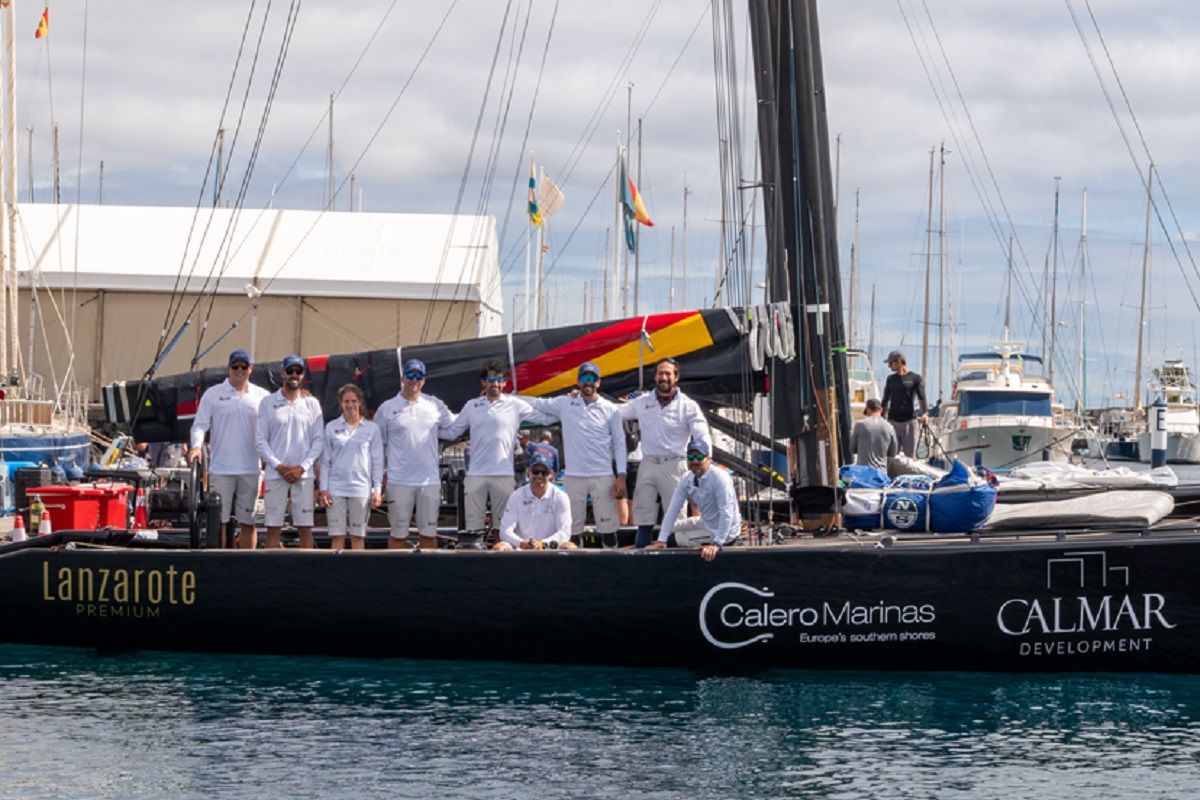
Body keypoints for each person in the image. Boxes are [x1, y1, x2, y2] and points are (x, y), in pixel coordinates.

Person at [441, 359, 546, 545]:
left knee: (503, 528)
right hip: (476, 475)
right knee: (473, 528)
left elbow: (545, 417)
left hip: (503, 474)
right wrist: (425, 430)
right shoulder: (472, 406)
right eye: (491, 379)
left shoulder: (515, 404)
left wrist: (571, 405)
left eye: (499, 379)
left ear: (504, 382)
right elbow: (452, 432)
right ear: (484, 382)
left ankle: (501, 558)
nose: (495, 383)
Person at [523, 362, 627, 546]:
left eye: (592, 378)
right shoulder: (565, 403)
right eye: (585, 378)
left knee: (608, 531)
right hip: (573, 477)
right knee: (572, 532)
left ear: (598, 382)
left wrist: (621, 475)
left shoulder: (611, 409)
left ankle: (611, 559)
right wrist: (506, 397)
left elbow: (619, 443)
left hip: (602, 476)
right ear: (578, 382)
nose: (588, 382)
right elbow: (538, 403)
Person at [618, 358, 711, 548]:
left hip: (674, 464)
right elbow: (614, 412)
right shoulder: (642, 402)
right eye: (660, 373)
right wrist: (587, 399)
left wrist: (706, 460)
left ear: (676, 377)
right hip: (648, 463)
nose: (664, 377)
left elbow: (701, 433)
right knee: (643, 516)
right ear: (655, 377)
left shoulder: (688, 405)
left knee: (676, 519)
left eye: (668, 373)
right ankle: (641, 556)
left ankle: (674, 559)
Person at [188, 348, 270, 549]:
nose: (239, 370)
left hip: (250, 468)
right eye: (235, 366)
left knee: (248, 521)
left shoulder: (263, 396)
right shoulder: (213, 394)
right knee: (219, 521)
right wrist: (196, 447)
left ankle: (247, 562)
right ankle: (221, 560)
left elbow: (275, 427)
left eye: (244, 366)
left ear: (250, 369)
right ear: (228, 368)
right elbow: (199, 425)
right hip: (221, 468)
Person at [375, 358, 456, 551]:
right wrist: (379, 480)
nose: (414, 379)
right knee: (398, 534)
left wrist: (481, 406)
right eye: (410, 375)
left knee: (428, 534)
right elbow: (378, 447)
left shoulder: (434, 404)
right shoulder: (386, 408)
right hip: (398, 481)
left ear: (424, 380)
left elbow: (454, 428)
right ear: (402, 378)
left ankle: (427, 571)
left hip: (429, 482)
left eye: (418, 376)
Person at [256, 354, 325, 549]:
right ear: (282, 373)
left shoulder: (312, 404)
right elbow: (260, 440)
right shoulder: (267, 403)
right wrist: (278, 466)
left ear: (303, 375)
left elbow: (318, 440)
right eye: (290, 371)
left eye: (298, 371)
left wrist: (302, 468)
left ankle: (307, 567)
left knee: (305, 528)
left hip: (303, 476)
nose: (294, 374)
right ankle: (271, 567)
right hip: (275, 475)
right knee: (273, 528)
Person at [646, 437, 740, 561]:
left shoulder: (719, 478)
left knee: (672, 540)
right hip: (705, 521)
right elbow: (673, 509)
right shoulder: (687, 478)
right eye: (691, 457)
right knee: (665, 532)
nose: (695, 461)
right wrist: (661, 540)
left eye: (699, 457)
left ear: (708, 459)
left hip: (723, 532)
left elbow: (726, 512)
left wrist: (717, 544)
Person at [318, 384, 384, 551]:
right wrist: (324, 489)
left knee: (358, 536)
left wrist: (377, 490)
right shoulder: (331, 427)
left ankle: (357, 568)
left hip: (361, 488)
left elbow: (377, 461)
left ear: (360, 402)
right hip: (336, 489)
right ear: (341, 403)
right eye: (346, 401)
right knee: (337, 536)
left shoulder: (372, 428)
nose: (350, 405)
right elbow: (325, 461)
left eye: (354, 401)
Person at [495, 453, 576, 551]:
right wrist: (521, 543)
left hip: (550, 548)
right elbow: (505, 530)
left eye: (544, 472)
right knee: (499, 547)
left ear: (551, 474)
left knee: (570, 547)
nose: (539, 475)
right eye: (536, 471)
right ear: (528, 471)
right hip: (522, 547)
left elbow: (565, 531)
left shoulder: (561, 497)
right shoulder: (516, 496)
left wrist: (544, 543)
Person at [881, 350, 928, 457]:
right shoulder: (890, 379)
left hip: (909, 422)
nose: (889, 366)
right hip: (893, 422)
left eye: (890, 363)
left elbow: (922, 398)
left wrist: (925, 413)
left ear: (898, 361)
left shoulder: (915, 378)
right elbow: (885, 400)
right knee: (891, 456)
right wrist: (881, 418)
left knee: (910, 456)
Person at [851, 398, 898, 471]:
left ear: (868, 409)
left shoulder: (860, 425)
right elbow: (893, 453)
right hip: (881, 473)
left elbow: (853, 449)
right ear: (881, 409)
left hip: (863, 473)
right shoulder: (890, 427)